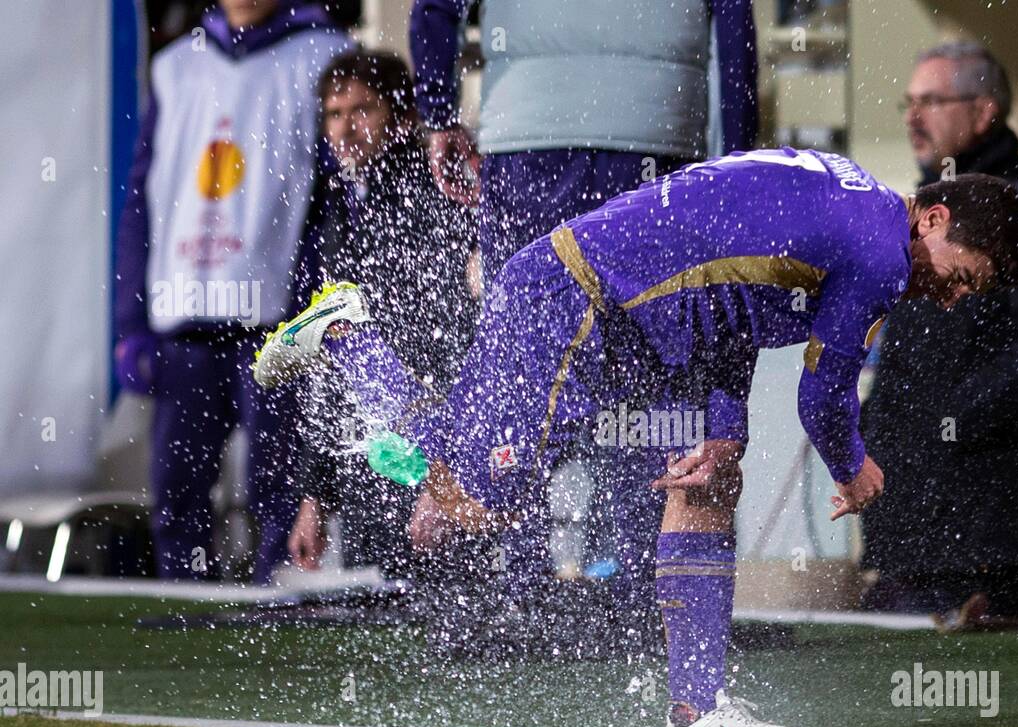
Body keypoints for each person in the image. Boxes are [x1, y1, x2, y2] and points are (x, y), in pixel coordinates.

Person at [253, 150, 1018, 727]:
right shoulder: (885, 255)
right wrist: (855, 467)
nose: (956, 295)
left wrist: (727, 432)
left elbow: (741, 300)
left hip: (598, 305)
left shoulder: (853, 197)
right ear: (933, 220)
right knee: (468, 500)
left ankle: (696, 711)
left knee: (705, 482)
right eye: (969, 276)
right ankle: (348, 335)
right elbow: (822, 397)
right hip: (582, 303)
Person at [409, 0, 758, 629]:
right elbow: (734, 23)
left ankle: (513, 585)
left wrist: (437, 111)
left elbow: (435, 7)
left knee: (521, 362)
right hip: (657, 136)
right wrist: (737, 152)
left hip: (529, 140)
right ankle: (642, 585)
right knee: (657, 361)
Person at [113, 0, 352, 583]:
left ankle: (281, 624)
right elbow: (141, 201)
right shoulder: (175, 67)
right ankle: (184, 623)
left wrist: (311, 319)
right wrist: (130, 324)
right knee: (178, 491)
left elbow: (335, 205)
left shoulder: (323, 55)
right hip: (186, 319)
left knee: (278, 487)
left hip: (274, 322)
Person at [859, 42, 1018, 626]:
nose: (913, 117)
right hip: (907, 508)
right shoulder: (920, 206)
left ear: (986, 111)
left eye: (932, 101)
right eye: (908, 102)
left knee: (984, 692)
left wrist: (945, 424)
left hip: (984, 515)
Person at [286, 51, 477, 578]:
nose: (346, 129)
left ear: (403, 115)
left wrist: (446, 485)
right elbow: (334, 357)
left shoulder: (438, 194)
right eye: (333, 114)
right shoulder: (340, 204)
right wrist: (315, 497)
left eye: (362, 110)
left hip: (440, 476)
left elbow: (459, 347)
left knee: (450, 632)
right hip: (373, 464)